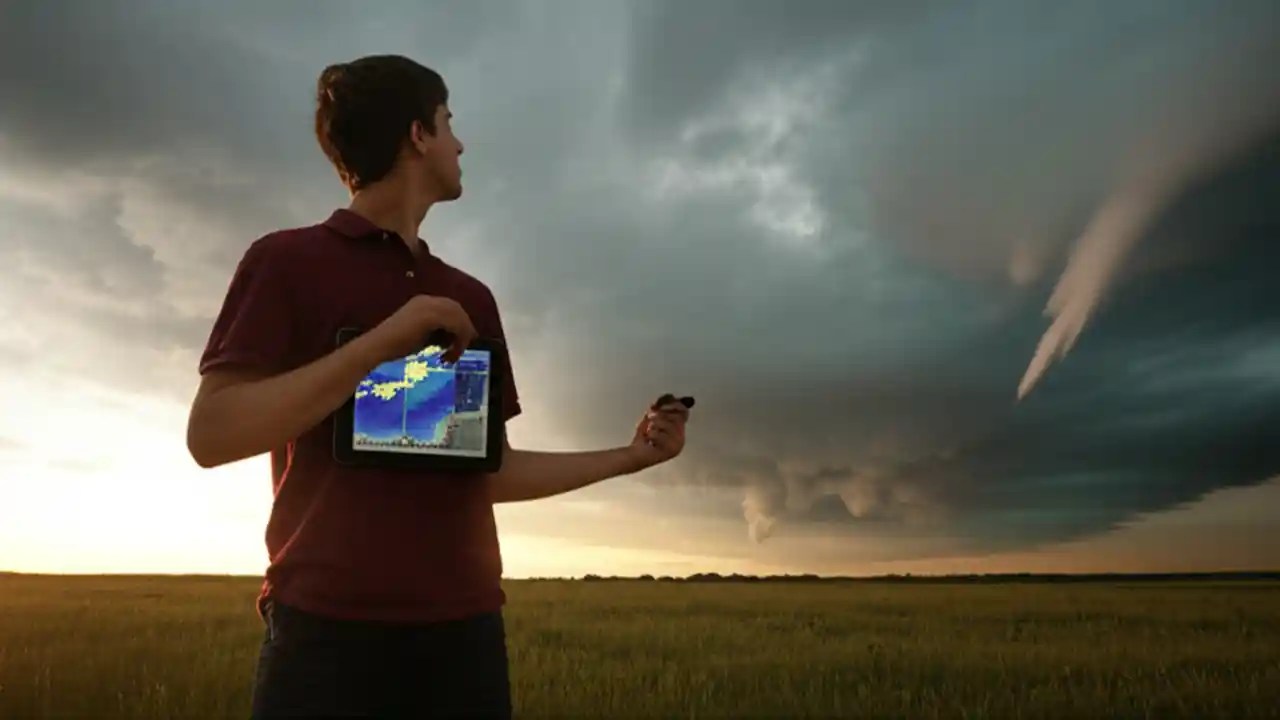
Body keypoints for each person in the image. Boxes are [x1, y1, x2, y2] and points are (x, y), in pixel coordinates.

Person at [185, 54, 692, 719]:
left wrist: (633, 457)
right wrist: (382, 343)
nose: (461, 143)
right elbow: (213, 434)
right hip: (322, 637)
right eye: (449, 122)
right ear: (418, 134)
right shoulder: (286, 262)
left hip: (463, 635)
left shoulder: (468, 298)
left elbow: (487, 471)